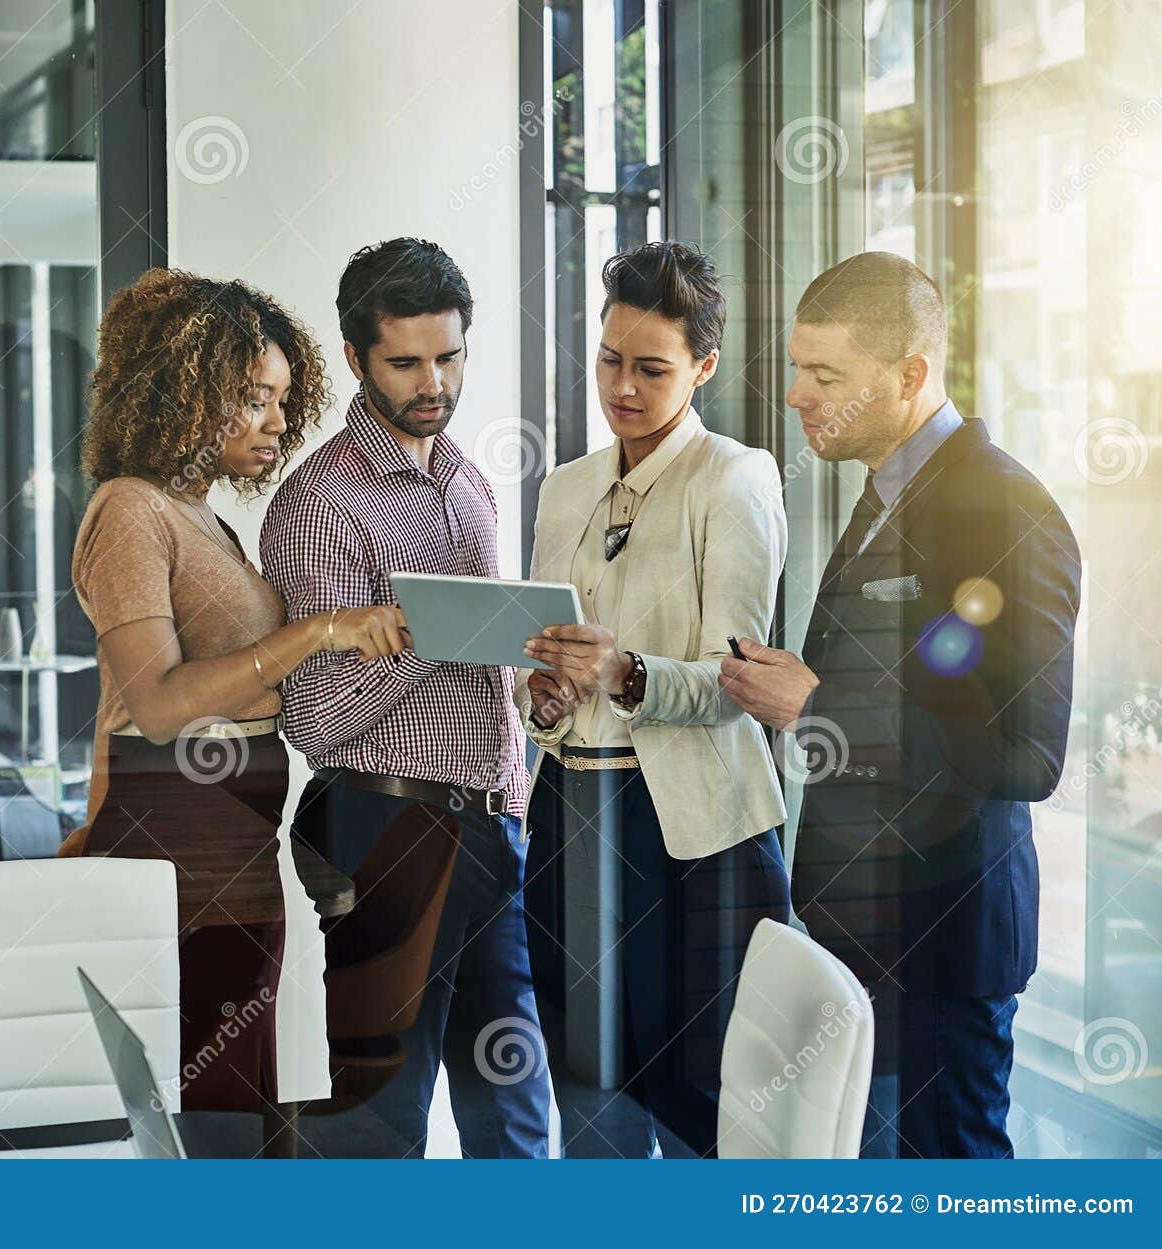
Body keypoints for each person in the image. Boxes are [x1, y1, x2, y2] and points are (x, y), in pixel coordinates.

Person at [720, 251, 1081, 1158]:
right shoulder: (891, 486)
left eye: (825, 374)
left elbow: (1026, 755)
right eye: (797, 367)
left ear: (911, 375)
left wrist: (818, 704)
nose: (796, 394)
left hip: (943, 939)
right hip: (863, 931)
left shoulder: (1005, 509)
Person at [56, 268, 410, 1114]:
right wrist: (319, 630)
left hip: (238, 847)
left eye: (284, 400)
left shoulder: (202, 514)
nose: (279, 423)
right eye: (255, 397)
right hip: (176, 847)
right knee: (201, 1105)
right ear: (184, 390)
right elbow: (161, 704)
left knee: (239, 1096)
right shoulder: (129, 512)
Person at [261, 238, 551, 1158]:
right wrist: (431, 633)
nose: (435, 381)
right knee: (380, 1124)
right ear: (355, 358)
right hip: (386, 835)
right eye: (406, 361)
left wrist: (528, 693)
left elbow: (485, 673)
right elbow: (312, 718)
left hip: (493, 830)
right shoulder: (320, 504)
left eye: (451, 355)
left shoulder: (468, 481)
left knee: (513, 1114)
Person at [518, 241, 792, 1157]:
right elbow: (549, 666)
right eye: (609, 359)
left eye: (651, 368)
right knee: (586, 1081)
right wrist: (546, 695)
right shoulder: (564, 489)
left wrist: (627, 673)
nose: (622, 386)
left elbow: (739, 679)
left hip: (689, 833)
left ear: (704, 368)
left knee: (700, 1099)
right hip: (569, 813)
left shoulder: (735, 477)